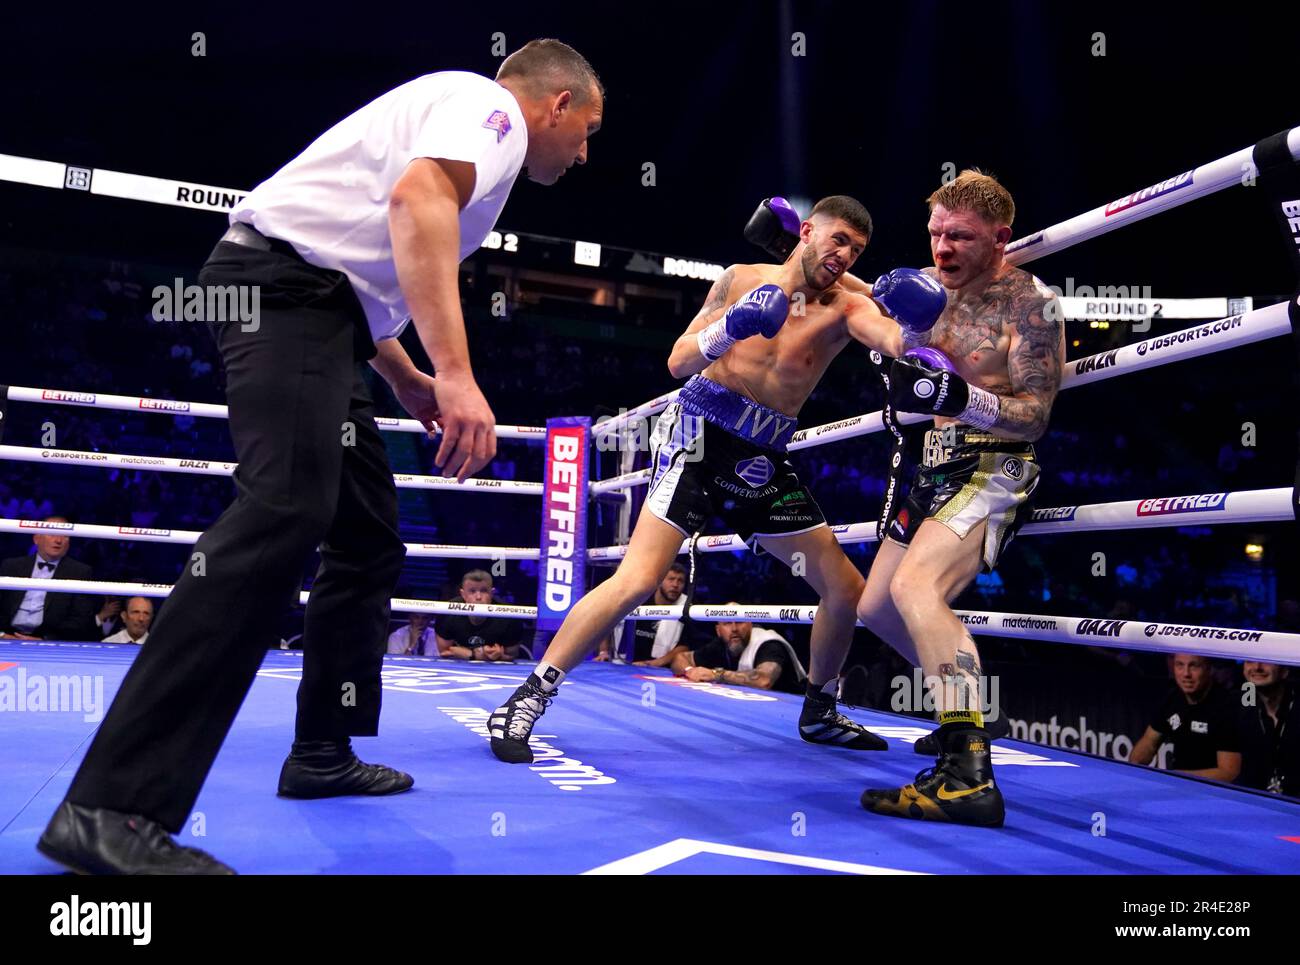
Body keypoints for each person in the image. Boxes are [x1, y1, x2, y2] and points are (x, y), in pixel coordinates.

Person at [38, 39, 604, 875]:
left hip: (314, 310)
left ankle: (322, 750)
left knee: (368, 534)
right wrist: (454, 371)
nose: (585, 152)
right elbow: (415, 203)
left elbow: (361, 271)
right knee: (282, 510)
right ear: (556, 104)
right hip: (278, 290)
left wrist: (409, 378)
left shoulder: (461, 131)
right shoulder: (491, 116)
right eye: (587, 130)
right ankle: (111, 804)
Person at [489, 195, 939, 765]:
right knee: (636, 579)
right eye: (839, 239)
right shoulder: (738, 280)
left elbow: (895, 341)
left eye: (856, 249)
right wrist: (734, 325)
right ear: (806, 231)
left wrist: (916, 325)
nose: (844, 255)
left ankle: (820, 709)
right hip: (699, 437)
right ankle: (528, 697)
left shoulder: (848, 307)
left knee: (845, 589)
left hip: (764, 457)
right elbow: (678, 362)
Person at [852, 170, 1064, 828]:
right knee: (877, 606)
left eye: (961, 237)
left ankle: (968, 773)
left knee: (918, 588)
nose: (943, 248)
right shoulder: (924, 290)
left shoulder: (1032, 304)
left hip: (996, 464)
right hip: (932, 468)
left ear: (999, 238)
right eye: (936, 233)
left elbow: (1034, 415)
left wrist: (958, 395)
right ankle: (965, 703)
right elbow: (863, 317)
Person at [1130, 653, 1241, 782]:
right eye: (1180, 665)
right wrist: (1134, 766)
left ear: (1208, 669)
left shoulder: (1226, 707)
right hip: (1178, 786)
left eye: (1194, 666)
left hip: (1214, 794)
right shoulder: (1172, 699)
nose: (1186, 674)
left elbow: (1228, 773)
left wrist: (1174, 777)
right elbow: (1149, 743)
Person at [0, 518, 116, 641]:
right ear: (36, 539)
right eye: (52, 534)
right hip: (6, 636)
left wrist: (46, 640)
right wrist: (2, 635)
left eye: (64, 536)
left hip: (48, 641)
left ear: (69, 542)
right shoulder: (11, 566)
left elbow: (80, 619)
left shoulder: (80, 572)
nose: (58, 540)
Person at [671, 611, 806, 694]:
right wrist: (689, 671)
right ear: (718, 630)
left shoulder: (769, 643)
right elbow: (680, 658)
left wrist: (715, 674)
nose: (734, 628)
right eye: (728, 623)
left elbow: (764, 680)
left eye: (740, 621)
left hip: (793, 705)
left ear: (750, 624)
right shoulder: (722, 643)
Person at [595, 561, 700, 665]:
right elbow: (608, 621)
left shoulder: (687, 607)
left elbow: (684, 646)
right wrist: (603, 651)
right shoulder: (640, 596)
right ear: (660, 581)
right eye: (671, 579)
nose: (675, 585)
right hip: (622, 661)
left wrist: (652, 664)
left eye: (680, 581)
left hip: (659, 668)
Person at [1235, 661, 1299, 796]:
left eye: (1266, 661)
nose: (1257, 667)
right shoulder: (1245, 710)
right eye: (1250, 661)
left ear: (1285, 670)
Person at [435, 570, 527, 660]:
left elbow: (511, 654)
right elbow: (444, 652)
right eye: (472, 591)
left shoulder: (508, 615)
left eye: (483, 591)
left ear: (492, 593)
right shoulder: (449, 611)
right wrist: (474, 655)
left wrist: (499, 655)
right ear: (463, 594)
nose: (478, 597)